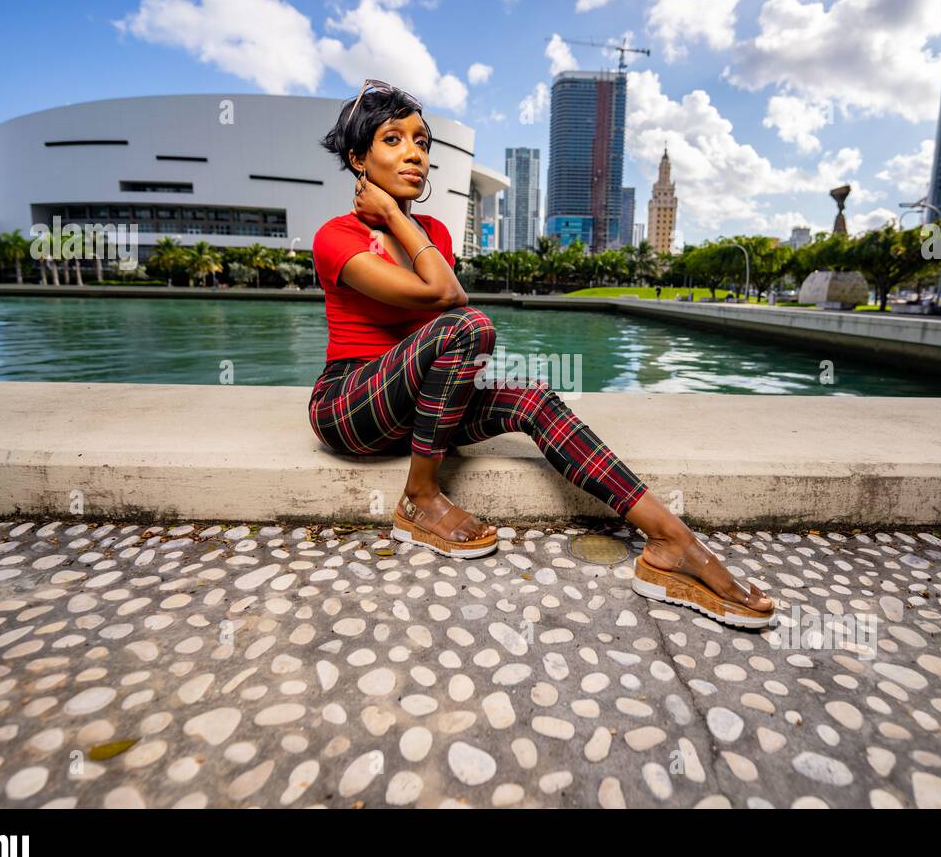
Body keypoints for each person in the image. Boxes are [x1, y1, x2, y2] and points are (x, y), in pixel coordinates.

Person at [307, 79, 772, 627]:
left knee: (531, 395)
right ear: (358, 158)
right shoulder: (334, 236)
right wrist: (391, 220)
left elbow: (440, 297)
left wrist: (398, 219)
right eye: (393, 139)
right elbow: (445, 297)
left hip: (414, 410)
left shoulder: (428, 232)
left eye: (423, 141)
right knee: (468, 327)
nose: (415, 154)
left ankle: (672, 542)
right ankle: (420, 498)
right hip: (350, 406)